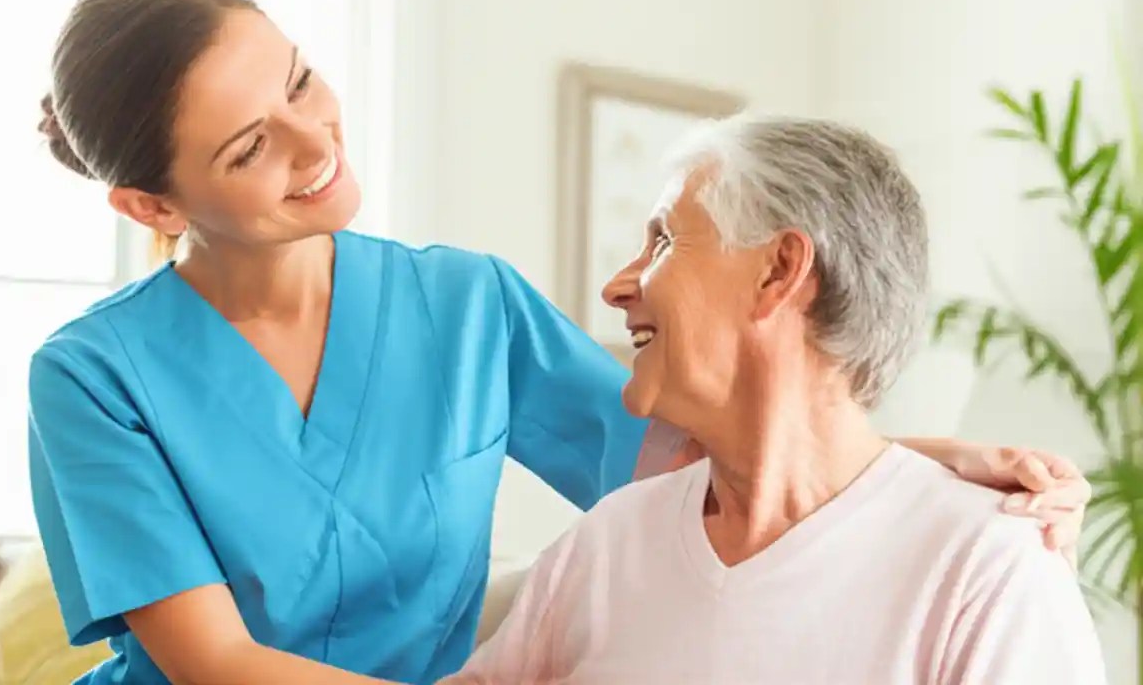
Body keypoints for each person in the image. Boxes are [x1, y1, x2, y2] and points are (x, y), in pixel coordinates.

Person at [26, 0, 1091, 684]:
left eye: (302, 79)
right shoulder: (91, 376)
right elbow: (215, 663)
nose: (317, 144)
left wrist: (930, 468)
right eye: (252, 147)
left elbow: (702, 453)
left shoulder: (465, 307)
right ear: (152, 207)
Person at [445, 116, 1106, 685]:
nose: (618, 287)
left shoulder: (988, 569)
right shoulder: (608, 543)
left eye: (665, 242)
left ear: (779, 272)